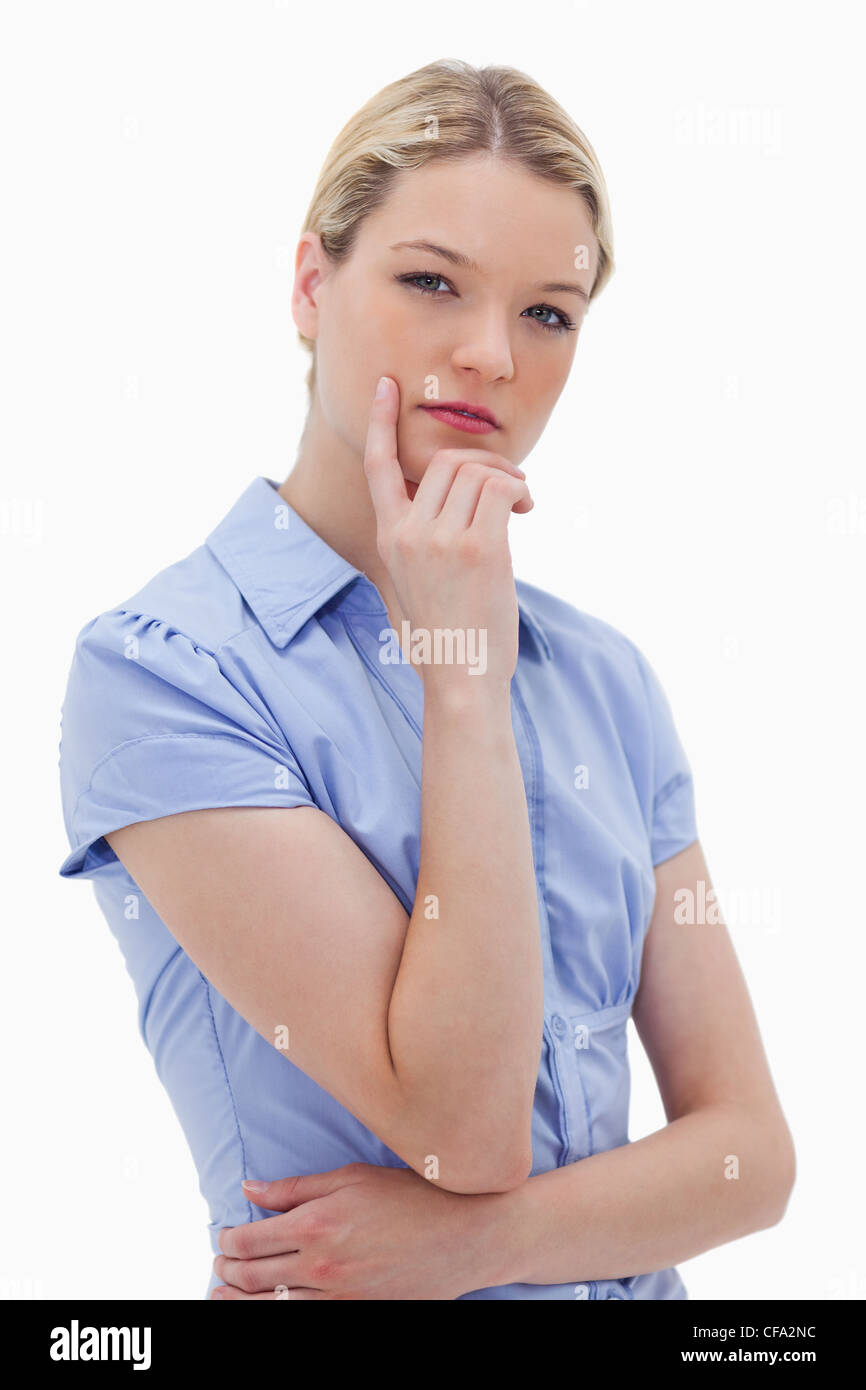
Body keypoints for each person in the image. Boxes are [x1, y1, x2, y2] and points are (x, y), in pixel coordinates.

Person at [57, 58, 795, 1301]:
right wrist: (460, 679)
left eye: (547, 312)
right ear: (311, 285)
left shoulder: (604, 680)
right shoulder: (164, 675)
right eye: (431, 282)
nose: (489, 354)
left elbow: (749, 1159)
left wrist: (472, 1244)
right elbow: (460, 1126)